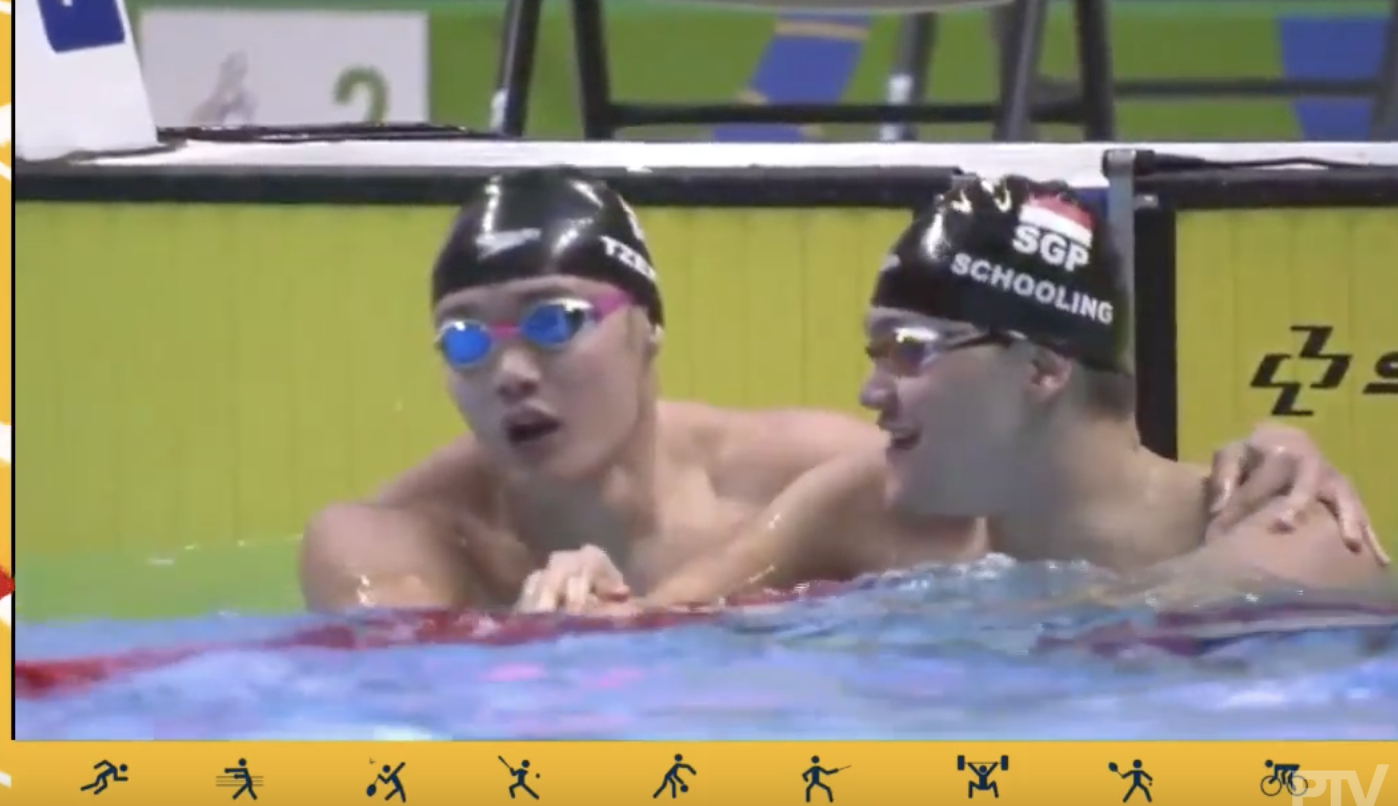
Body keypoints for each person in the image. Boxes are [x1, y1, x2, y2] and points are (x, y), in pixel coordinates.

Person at [300, 168, 1379, 615]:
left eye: (908, 348)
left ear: (1044, 364)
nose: (872, 390)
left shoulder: (1284, 537)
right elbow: (647, 632)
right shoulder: (854, 498)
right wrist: (581, 615)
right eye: (463, 335)